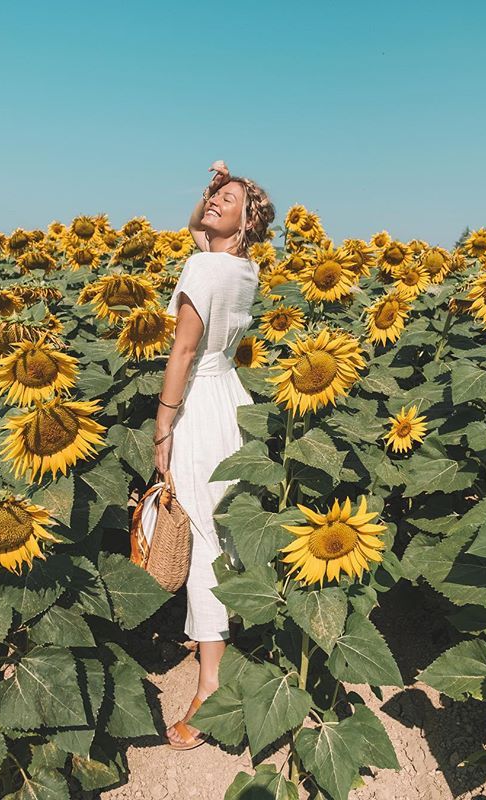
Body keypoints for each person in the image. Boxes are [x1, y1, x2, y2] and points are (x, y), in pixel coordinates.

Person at [153, 161, 275, 749]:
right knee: (224, 530)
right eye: (214, 197)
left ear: (248, 223)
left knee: (201, 535)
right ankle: (227, 649)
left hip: (198, 404)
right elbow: (199, 230)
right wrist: (218, 191)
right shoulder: (241, 267)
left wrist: (162, 423)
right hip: (234, 399)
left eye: (229, 200)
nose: (213, 204)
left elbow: (182, 350)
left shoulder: (203, 265)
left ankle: (208, 688)